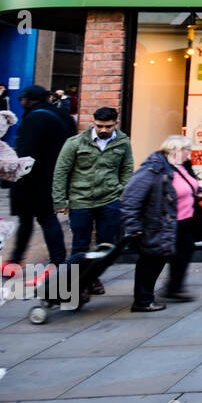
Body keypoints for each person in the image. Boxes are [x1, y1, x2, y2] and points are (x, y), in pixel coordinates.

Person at [52, 106, 133, 296]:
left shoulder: (123, 142)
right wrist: (60, 201)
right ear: (93, 123)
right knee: (80, 245)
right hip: (81, 200)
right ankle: (75, 285)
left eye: (108, 126)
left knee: (106, 245)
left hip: (110, 199)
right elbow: (61, 172)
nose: (103, 130)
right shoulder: (75, 143)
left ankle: (93, 278)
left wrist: (122, 192)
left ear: (116, 123)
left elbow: (127, 168)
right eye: (99, 126)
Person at [121, 135, 202, 311]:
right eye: (186, 150)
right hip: (161, 224)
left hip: (184, 222)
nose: (189, 154)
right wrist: (133, 225)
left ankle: (174, 288)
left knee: (183, 254)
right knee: (153, 260)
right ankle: (143, 301)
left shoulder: (182, 166)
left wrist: (199, 192)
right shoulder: (153, 169)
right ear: (175, 150)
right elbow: (131, 198)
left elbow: (191, 185)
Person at [5, 85, 71, 273]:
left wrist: (11, 175)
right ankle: (57, 260)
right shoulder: (62, 116)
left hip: (31, 178)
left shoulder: (34, 118)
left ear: (29, 99)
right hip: (56, 175)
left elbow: (26, 151)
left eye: (22, 99)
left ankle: (16, 259)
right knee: (47, 217)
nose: (21, 102)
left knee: (28, 219)